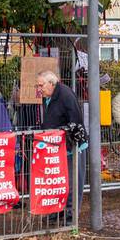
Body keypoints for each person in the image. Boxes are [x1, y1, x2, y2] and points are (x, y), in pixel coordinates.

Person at [38, 69, 86, 221]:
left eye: (41, 85)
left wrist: (69, 140)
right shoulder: (48, 97)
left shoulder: (65, 95)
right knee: (57, 181)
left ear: (51, 84)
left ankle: (72, 216)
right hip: (56, 147)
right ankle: (56, 210)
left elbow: (77, 120)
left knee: (72, 182)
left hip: (71, 146)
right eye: (37, 86)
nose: (39, 89)